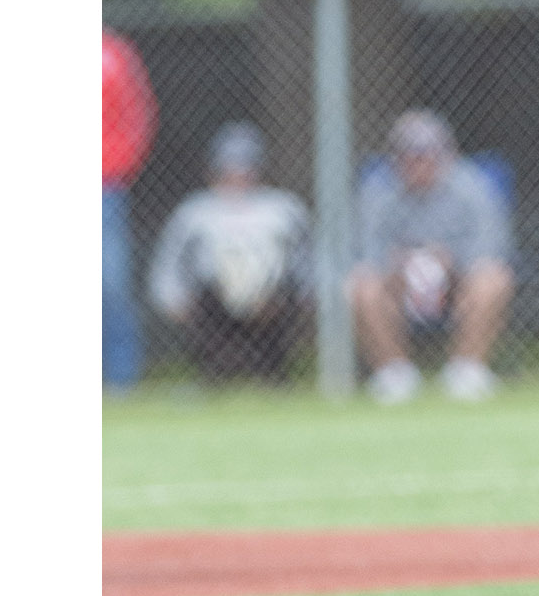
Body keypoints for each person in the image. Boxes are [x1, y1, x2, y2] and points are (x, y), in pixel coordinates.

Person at [349, 109, 515, 404]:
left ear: (445, 155)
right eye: (409, 156)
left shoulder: (473, 187)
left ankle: (466, 372)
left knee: (494, 279)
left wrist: (449, 264)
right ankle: (395, 376)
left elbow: (491, 248)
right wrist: (402, 267)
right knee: (361, 285)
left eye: (426, 155)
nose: (418, 164)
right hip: (398, 284)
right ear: (395, 159)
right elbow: (366, 253)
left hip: (457, 282)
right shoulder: (378, 192)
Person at [147, 123, 310, 383]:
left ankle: (271, 375)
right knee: (210, 301)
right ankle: (216, 376)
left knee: (277, 297)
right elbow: (169, 267)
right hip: (214, 304)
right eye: (230, 167)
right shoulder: (195, 212)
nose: (238, 175)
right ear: (214, 169)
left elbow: (306, 261)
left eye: (246, 166)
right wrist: (175, 303)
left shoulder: (283, 208)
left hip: (272, 304)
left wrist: (304, 298)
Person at [103, 29, 156, 391]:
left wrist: (118, 166)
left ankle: (121, 383)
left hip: (103, 185)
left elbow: (138, 116)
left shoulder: (112, 53)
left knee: (109, 283)